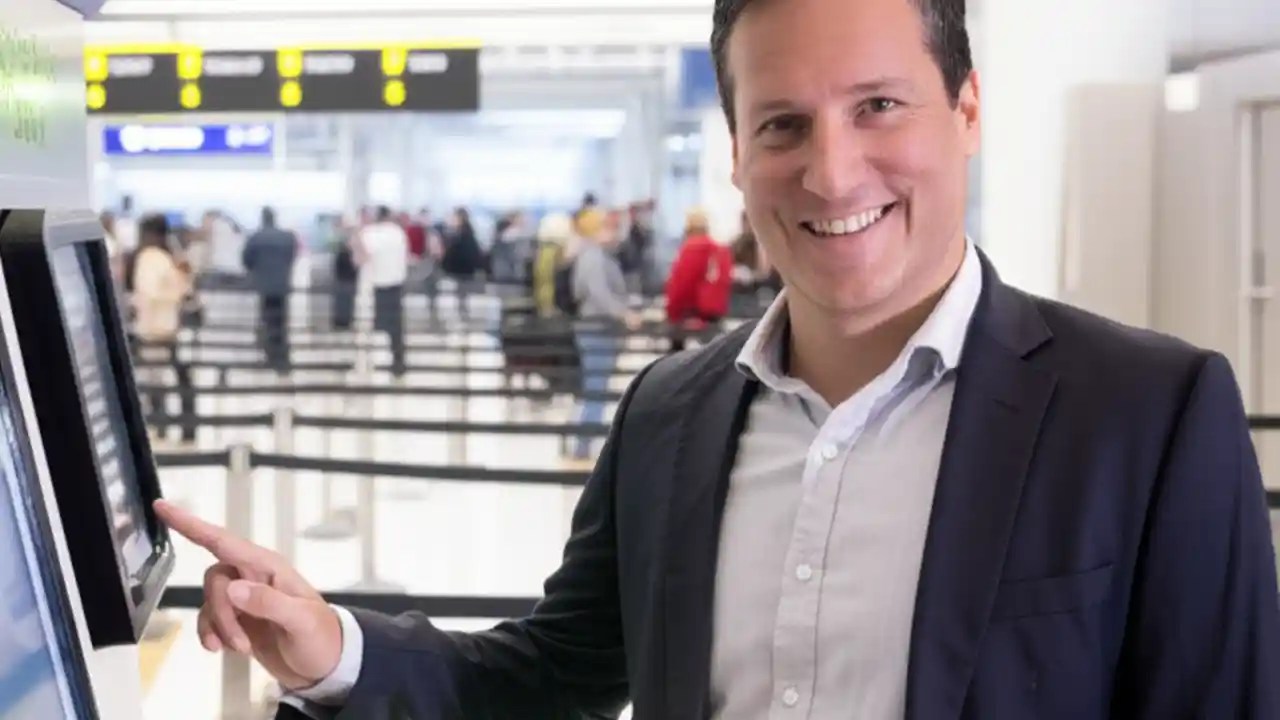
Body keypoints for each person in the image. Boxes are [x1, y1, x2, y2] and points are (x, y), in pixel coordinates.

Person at [158, 0, 1280, 717]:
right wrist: (331, 648)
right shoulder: (671, 411)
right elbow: (557, 674)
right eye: (782, 126)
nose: (832, 175)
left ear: (965, 109)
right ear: (737, 154)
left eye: (878, 106)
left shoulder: (1144, 414)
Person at [568, 208, 641, 460]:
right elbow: (599, 294)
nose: (613, 232)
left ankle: (582, 443)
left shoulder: (599, 256)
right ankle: (582, 447)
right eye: (606, 226)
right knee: (596, 389)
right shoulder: (592, 257)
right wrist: (624, 314)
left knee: (594, 387)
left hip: (601, 330)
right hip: (596, 330)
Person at [130, 214, 195, 444]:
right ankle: (174, 427)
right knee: (167, 379)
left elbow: (149, 292)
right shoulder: (162, 258)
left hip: (155, 327)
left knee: (158, 380)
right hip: (164, 326)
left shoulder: (151, 258)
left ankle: (164, 427)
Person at [665, 208, 734, 351]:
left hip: (689, 316)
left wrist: (672, 314)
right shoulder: (720, 251)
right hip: (715, 317)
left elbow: (680, 287)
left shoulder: (690, 249)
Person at [242, 207, 297, 374]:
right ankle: (283, 360)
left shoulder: (255, 238)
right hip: (282, 285)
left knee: (267, 321)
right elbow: (291, 257)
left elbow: (246, 259)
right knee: (281, 323)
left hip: (264, 286)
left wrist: (258, 271)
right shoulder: (288, 237)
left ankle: (270, 357)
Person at [357, 206, 410, 377]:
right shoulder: (398, 233)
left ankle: (371, 365)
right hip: (396, 284)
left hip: (376, 285)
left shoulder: (370, 233)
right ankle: (398, 364)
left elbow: (361, 258)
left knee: (373, 326)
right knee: (396, 329)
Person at [440, 206, 482, 319]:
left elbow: (458, 251)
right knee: (462, 292)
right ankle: (463, 312)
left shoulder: (462, 234)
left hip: (462, 268)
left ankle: (463, 313)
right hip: (464, 267)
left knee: (462, 292)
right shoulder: (466, 232)